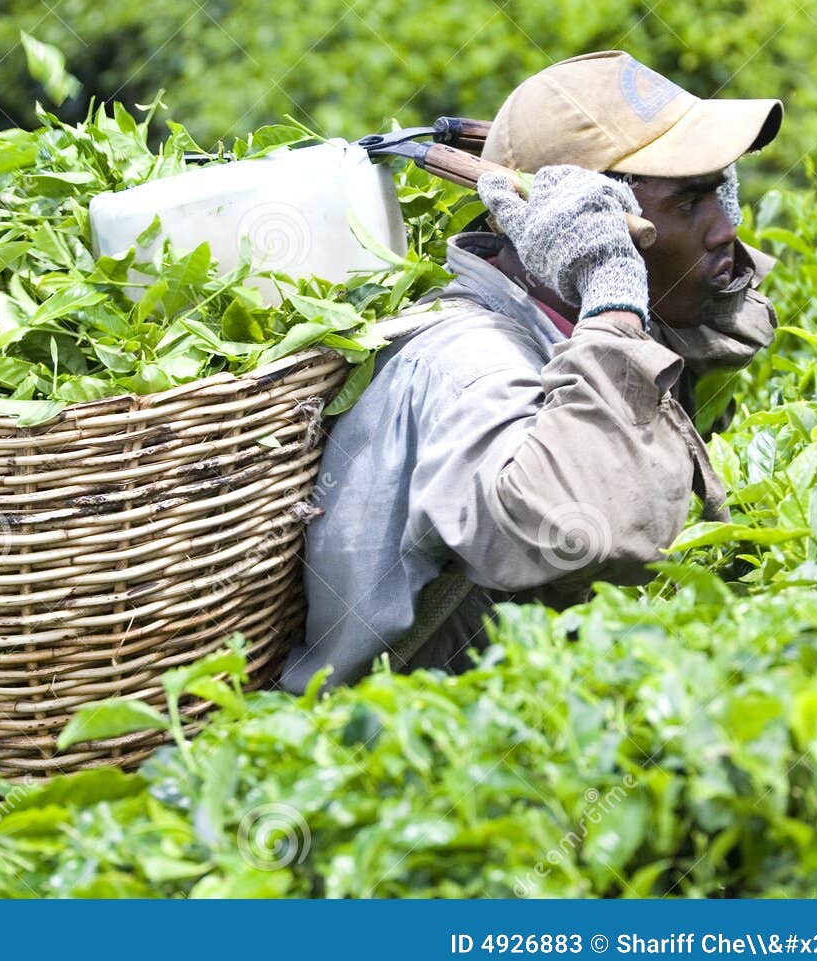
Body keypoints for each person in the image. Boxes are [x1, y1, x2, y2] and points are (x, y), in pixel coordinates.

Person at [279, 50, 783, 690]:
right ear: (587, 223)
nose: (726, 228)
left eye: (723, 190)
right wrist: (611, 284)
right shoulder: (468, 363)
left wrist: (628, 288)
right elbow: (583, 526)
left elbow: (726, 328)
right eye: (690, 201)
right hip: (412, 741)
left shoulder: (585, 320)